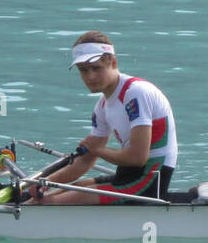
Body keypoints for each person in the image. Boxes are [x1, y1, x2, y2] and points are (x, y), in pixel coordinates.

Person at [32, 32, 177, 205]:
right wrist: (45, 183)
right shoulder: (101, 107)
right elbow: (85, 161)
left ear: (113, 62)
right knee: (67, 189)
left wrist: (98, 149)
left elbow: (138, 158)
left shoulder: (136, 93)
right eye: (83, 70)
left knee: (48, 203)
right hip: (128, 176)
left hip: (150, 182)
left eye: (96, 68)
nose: (90, 77)